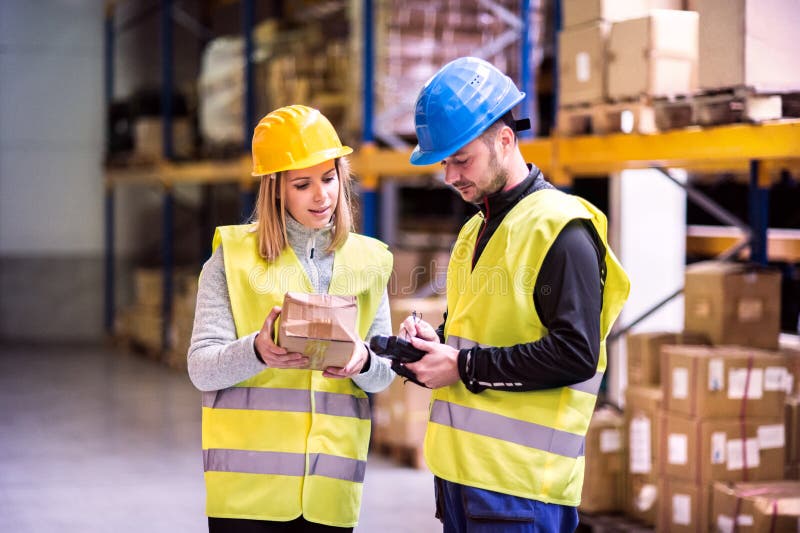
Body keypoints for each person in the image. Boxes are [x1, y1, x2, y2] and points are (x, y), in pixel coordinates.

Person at [398, 57, 631, 532]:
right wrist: (430, 344)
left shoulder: (561, 229)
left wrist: (462, 366)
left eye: (461, 160)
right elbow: (472, 334)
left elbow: (576, 354)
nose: (450, 176)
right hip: (462, 480)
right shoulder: (472, 234)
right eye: (444, 162)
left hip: (522, 493)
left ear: (504, 140)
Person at [188, 104, 395, 532]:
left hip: (330, 492)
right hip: (248, 496)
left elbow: (384, 374)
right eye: (303, 184)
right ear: (276, 189)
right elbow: (201, 369)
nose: (322, 196)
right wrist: (257, 351)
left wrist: (364, 362)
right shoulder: (232, 259)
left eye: (329, 178)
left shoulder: (370, 261)